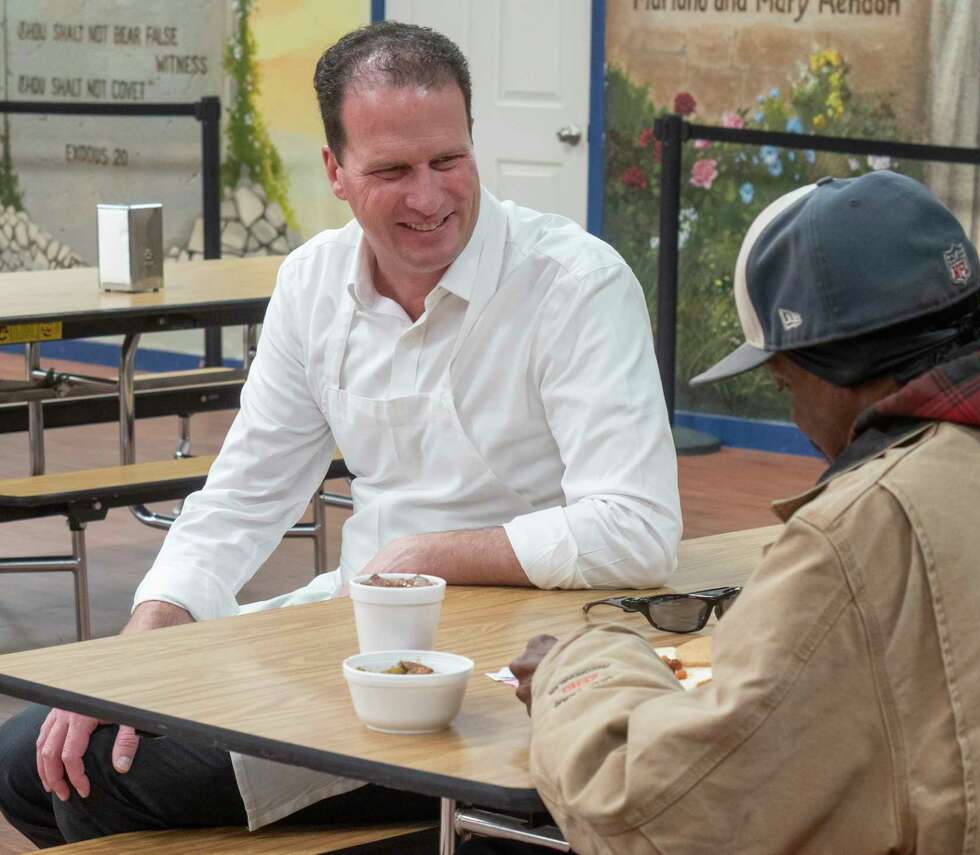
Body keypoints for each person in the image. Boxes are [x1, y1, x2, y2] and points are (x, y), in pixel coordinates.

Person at [0, 22, 681, 848]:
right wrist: (141, 647)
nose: (428, 198)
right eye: (392, 171)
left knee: (105, 778)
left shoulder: (577, 283)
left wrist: (425, 555)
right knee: (27, 760)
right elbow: (246, 492)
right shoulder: (313, 281)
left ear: (473, 143)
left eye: (448, 161)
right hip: (355, 636)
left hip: (519, 664)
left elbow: (638, 531)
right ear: (335, 172)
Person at [510, 171, 980, 854]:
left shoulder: (865, 530)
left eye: (783, 383)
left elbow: (661, 814)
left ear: (830, 372)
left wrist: (581, 669)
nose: (798, 418)